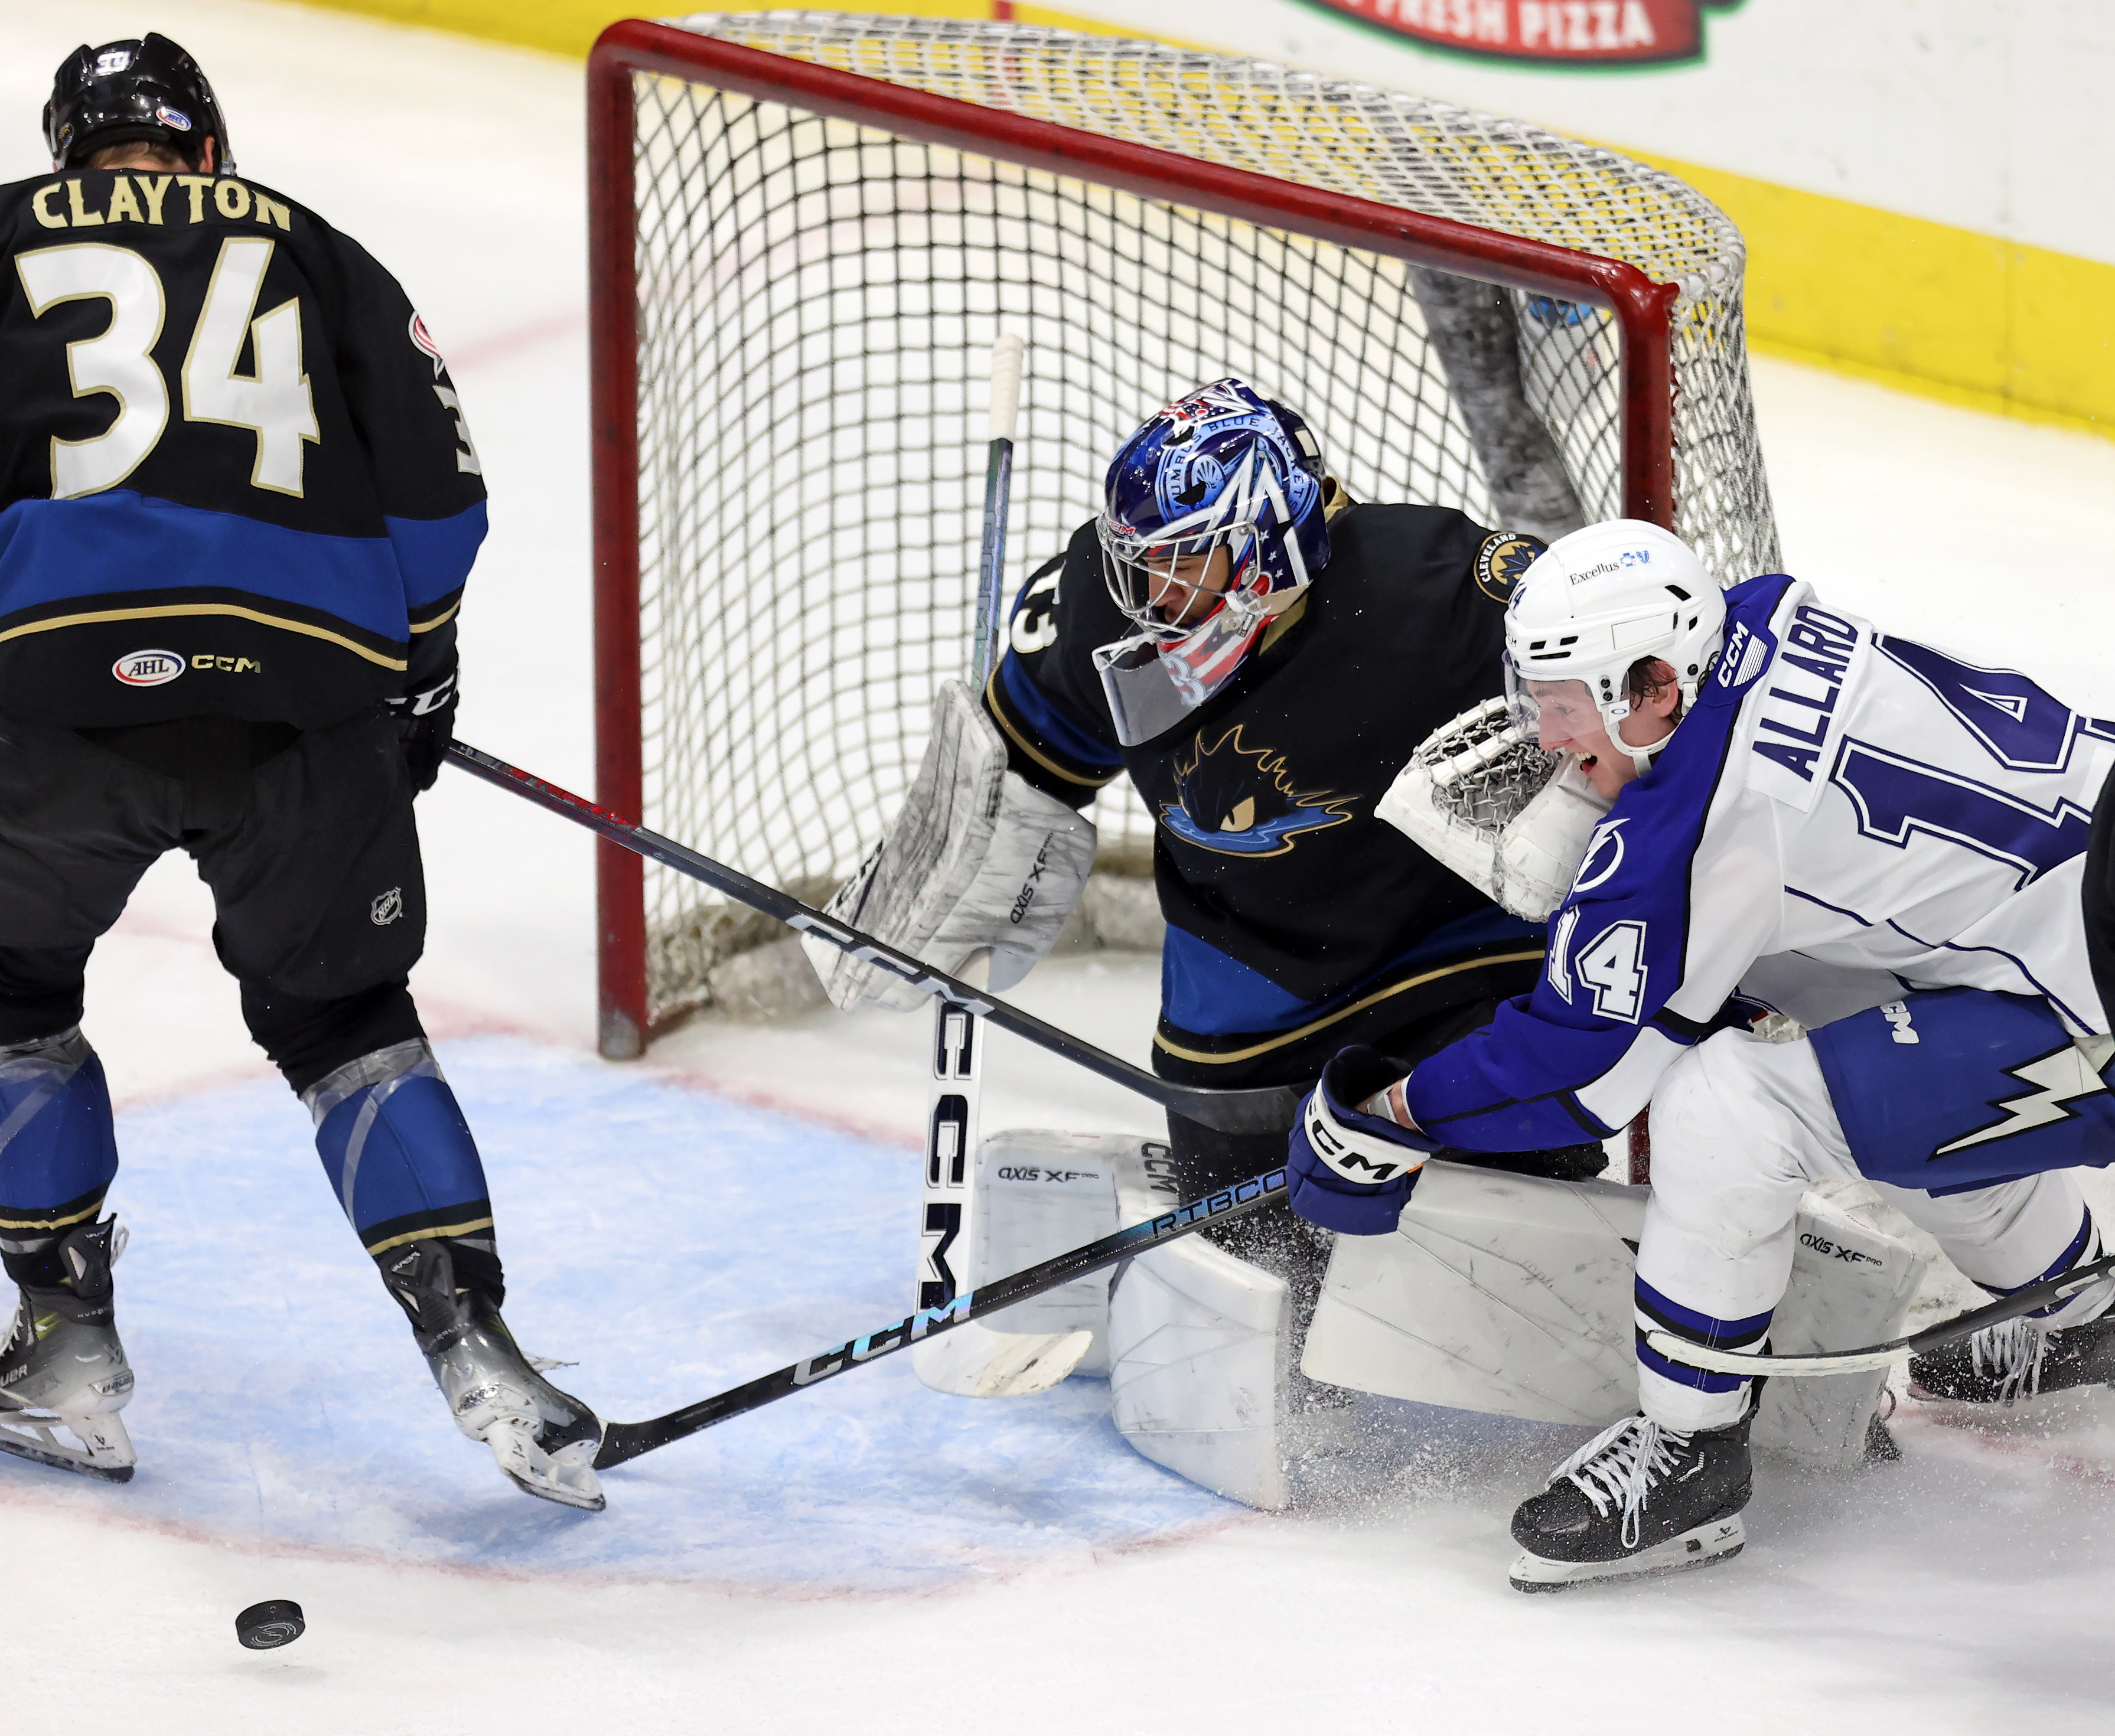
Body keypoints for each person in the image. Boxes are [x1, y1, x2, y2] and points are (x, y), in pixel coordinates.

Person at [809, 377, 1605, 1494]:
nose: (1150, 588)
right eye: (1139, 557)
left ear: (1276, 543)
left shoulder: (1445, 590)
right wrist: (943, 882)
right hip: (1245, 956)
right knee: (1254, 1247)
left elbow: (1627, 703)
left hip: (1449, 935)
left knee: (1516, 1183)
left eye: (1187, 559)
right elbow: (1019, 776)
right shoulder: (1094, 601)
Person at [1288, 515, 2115, 1587]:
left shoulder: (1694, 831)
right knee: (1855, 1049)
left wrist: (1389, 1120)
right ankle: (2080, 1312)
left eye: (1562, 703)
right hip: (2051, 906)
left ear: (1652, 686)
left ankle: (1690, 1452)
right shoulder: (1767, 616)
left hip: (2090, 992)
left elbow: (1583, 1077)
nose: (1544, 740)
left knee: (1730, 1108)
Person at [0, 35, 601, 1507]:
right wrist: (422, 666)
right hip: (306, 697)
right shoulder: (316, 246)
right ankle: (480, 1353)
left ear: (70, 146)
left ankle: (68, 1348)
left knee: (6, 999)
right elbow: (438, 489)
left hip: (55, 705)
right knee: (346, 1017)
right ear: (201, 145)